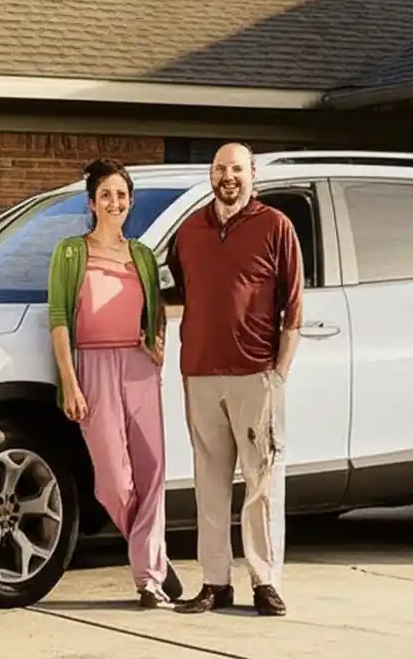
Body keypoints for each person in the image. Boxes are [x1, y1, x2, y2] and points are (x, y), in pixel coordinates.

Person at [165, 142, 302, 617]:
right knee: (210, 483)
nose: (229, 177)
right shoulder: (189, 231)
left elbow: (294, 307)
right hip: (200, 373)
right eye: (221, 168)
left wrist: (278, 374)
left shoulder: (275, 227)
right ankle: (215, 583)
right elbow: (180, 293)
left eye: (237, 169)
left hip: (255, 374)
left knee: (263, 483)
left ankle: (265, 581)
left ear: (252, 173)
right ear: (210, 174)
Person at [46, 157, 182, 609]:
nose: (114, 202)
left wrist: (157, 339)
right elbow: (60, 317)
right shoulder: (70, 252)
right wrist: (69, 380)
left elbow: (158, 307)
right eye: (105, 194)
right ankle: (152, 552)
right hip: (94, 366)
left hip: (140, 366)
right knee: (113, 480)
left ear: (130, 202)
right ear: (91, 203)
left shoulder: (143, 255)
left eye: (121, 195)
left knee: (152, 470)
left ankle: (148, 578)